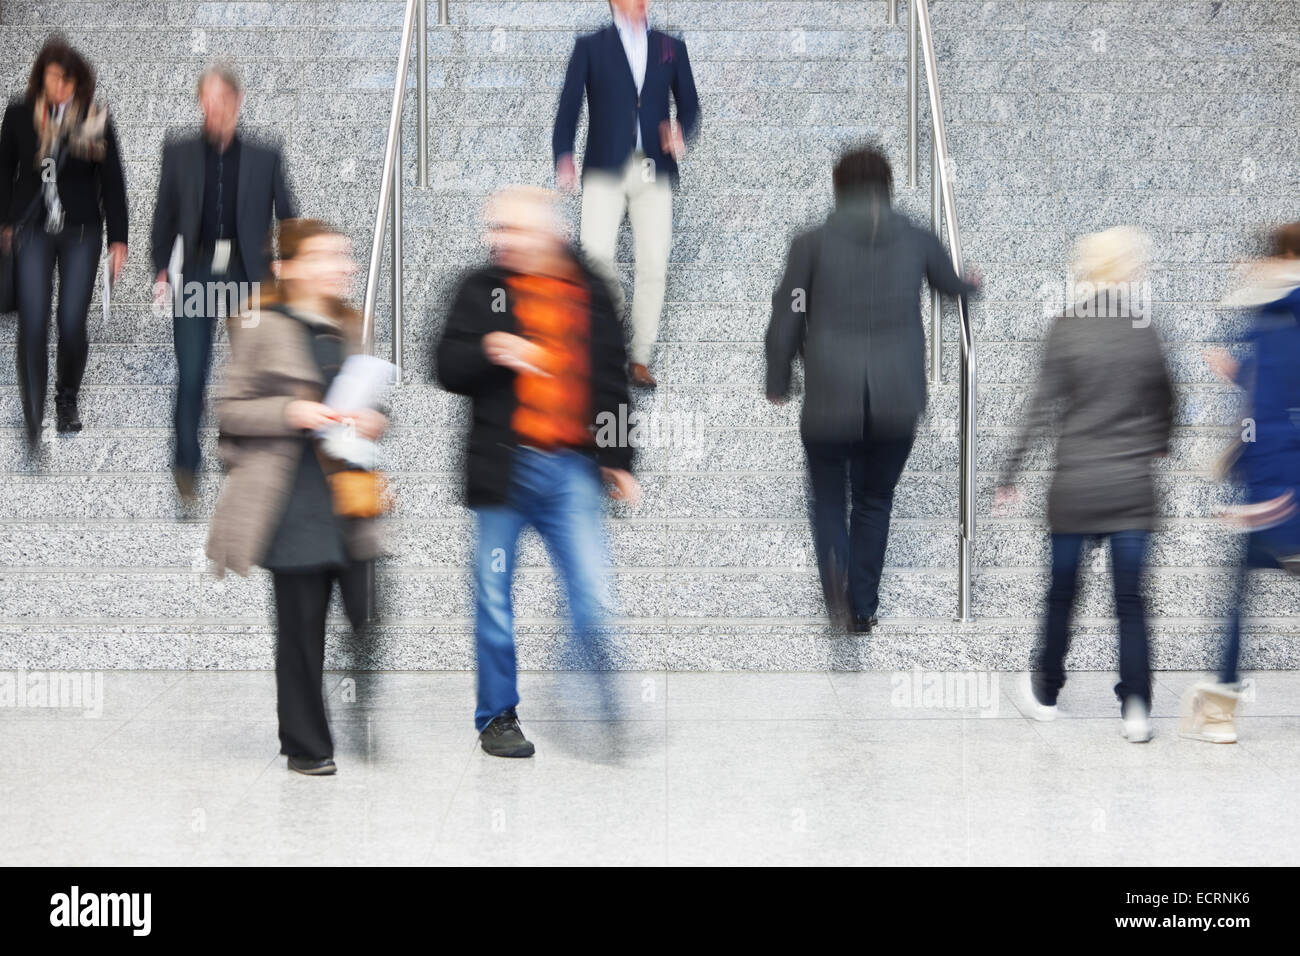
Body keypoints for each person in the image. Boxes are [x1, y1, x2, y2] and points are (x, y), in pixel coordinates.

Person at [435, 186, 639, 758]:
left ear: (548, 232)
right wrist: (490, 350)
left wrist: (618, 459)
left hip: (571, 470)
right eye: (496, 232)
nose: (502, 243)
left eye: (514, 231)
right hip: (503, 469)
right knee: (494, 598)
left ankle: (595, 695)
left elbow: (610, 381)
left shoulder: (588, 288)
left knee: (593, 593)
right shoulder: (482, 290)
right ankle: (498, 717)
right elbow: (445, 364)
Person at [766, 145, 977, 635]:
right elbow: (953, 288)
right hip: (896, 399)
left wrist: (779, 375)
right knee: (874, 500)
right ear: (887, 189)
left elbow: (789, 313)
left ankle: (836, 590)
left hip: (829, 399)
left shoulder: (811, 244)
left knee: (827, 500)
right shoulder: (918, 239)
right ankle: (861, 607)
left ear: (838, 190)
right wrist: (971, 284)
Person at [206, 219, 386, 776]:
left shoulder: (350, 325)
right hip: (288, 496)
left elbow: (374, 405)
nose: (343, 267)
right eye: (330, 256)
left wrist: (374, 420)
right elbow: (229, 410)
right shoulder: (258, 324)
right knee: (301, 630)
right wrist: (290, 412)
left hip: (348, 492)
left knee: (367, 612)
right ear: (289, 268)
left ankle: (357, 706)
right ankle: (307, 745)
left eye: (345, 257)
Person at [997, 226, 1175, 743]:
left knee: (1061, 595)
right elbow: (1168, 398)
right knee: (1131, 601)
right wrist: (1160, 441)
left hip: (1075, 487)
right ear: (1127, 268)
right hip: (1131, 489)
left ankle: (1047, 693)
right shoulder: (1145, 327)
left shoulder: (1066, 327)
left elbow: (1039, 409)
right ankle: (1137, 708)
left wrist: (1011, 473)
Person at [151, 61, 297, 500]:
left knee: (249, 372)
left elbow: (289, 214)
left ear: (236, 102)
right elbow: (164, 216)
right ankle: (186, 466)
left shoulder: (265, 156)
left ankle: (240, 451)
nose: (212, 110)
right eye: (206, 102)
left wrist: (288, 260)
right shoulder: (177, 152)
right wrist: (161, 267)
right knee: (192, 370)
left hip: (245, 276)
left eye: (221, 102)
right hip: (196, 272)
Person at [1183, 223, 1300, 744]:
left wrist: (1266, 499)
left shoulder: (1269, 315)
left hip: (1276, 494)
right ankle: (1220, 706)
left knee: (1237, 601)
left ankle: (1220, 710)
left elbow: (1272, 407)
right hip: (1277, 489)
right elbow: (1268, 397)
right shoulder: (1270, 314)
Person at [552, 0, 700, 388]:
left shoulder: (671, 46)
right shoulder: (591, 46)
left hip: (655, 168)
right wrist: (563, 155)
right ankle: (611, 324)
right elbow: (569, 106)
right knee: (596, 257)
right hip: (605, 165)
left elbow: (690, 104)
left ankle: (640, 357)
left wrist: (682, 130)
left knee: (653, 262)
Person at [0, 35, 128, 445]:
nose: (61, 88)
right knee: (34, 322)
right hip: (33, 230)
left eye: (68, 81)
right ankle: (33, 414)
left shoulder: (94, 118)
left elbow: (112, 180)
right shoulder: (18, 115)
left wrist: (118, 238)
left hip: (81, 232)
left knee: (71, 322)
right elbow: (3, 173)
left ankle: (66, 397)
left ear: (79, 83)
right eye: (55, 79)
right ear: (41, 77)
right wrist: (4, 223)